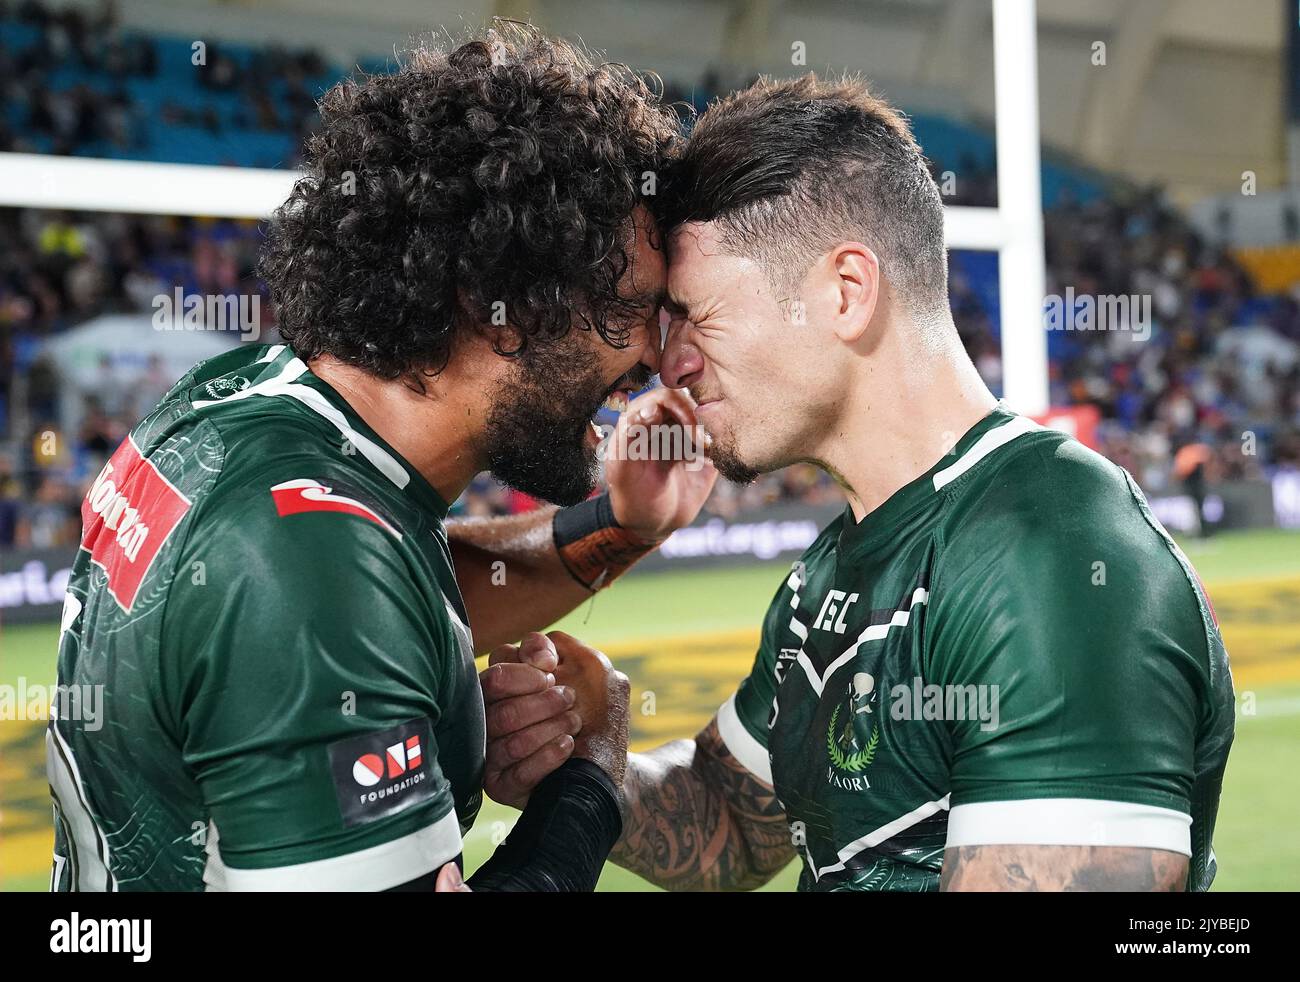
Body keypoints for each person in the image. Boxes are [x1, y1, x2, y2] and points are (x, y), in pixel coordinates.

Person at [484, 74, 1234, 892]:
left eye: (698, 314)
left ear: (845, 291)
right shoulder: (833, 565)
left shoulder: (1056, 554)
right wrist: (588, 760)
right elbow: (732, 823)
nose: (671, 362)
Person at [48, 24, 716, 893]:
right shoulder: (309, 560)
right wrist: (592, 775)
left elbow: (400, 587)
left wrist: (621, 527)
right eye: (628, 313)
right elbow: (330, 596)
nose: (654, 361)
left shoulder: (255, 397)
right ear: (503, 307)